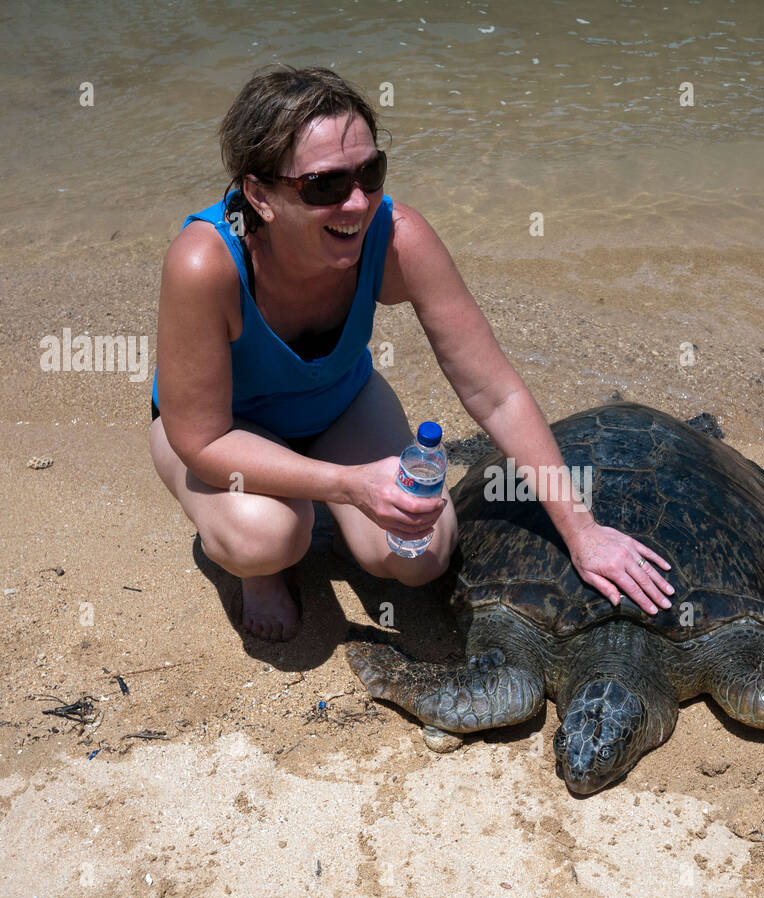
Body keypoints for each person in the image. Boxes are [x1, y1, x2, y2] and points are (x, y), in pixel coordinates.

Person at [149, 66, 673, 641]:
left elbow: (495, 393)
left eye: (370, 173)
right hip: (228, 435)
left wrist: (581, 530)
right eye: (324, 185)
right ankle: (262, 569)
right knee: (267, 537)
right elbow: (202, 441)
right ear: (260, 195)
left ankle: (327, 512)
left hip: (337, 407)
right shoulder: (206, 263)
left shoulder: (398, 237)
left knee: (420, 554)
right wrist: (348, 486)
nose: (356, 202)